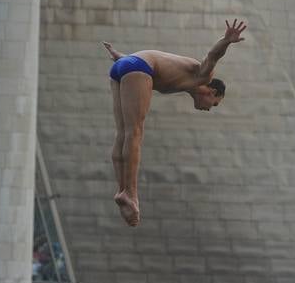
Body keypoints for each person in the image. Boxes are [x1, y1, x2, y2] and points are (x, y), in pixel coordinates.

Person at [101, 20, 245, 227]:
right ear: (213, 91)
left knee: (123, 133)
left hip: (123, 65)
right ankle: (130, 193)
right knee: (135, 132)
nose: (208, 108)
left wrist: (122, 58)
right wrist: (226, 41)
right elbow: (213, 56)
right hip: (136, 66)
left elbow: (158, 61)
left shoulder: (183, 77)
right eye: (214, 104)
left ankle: (122, 190)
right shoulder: (203, 75)